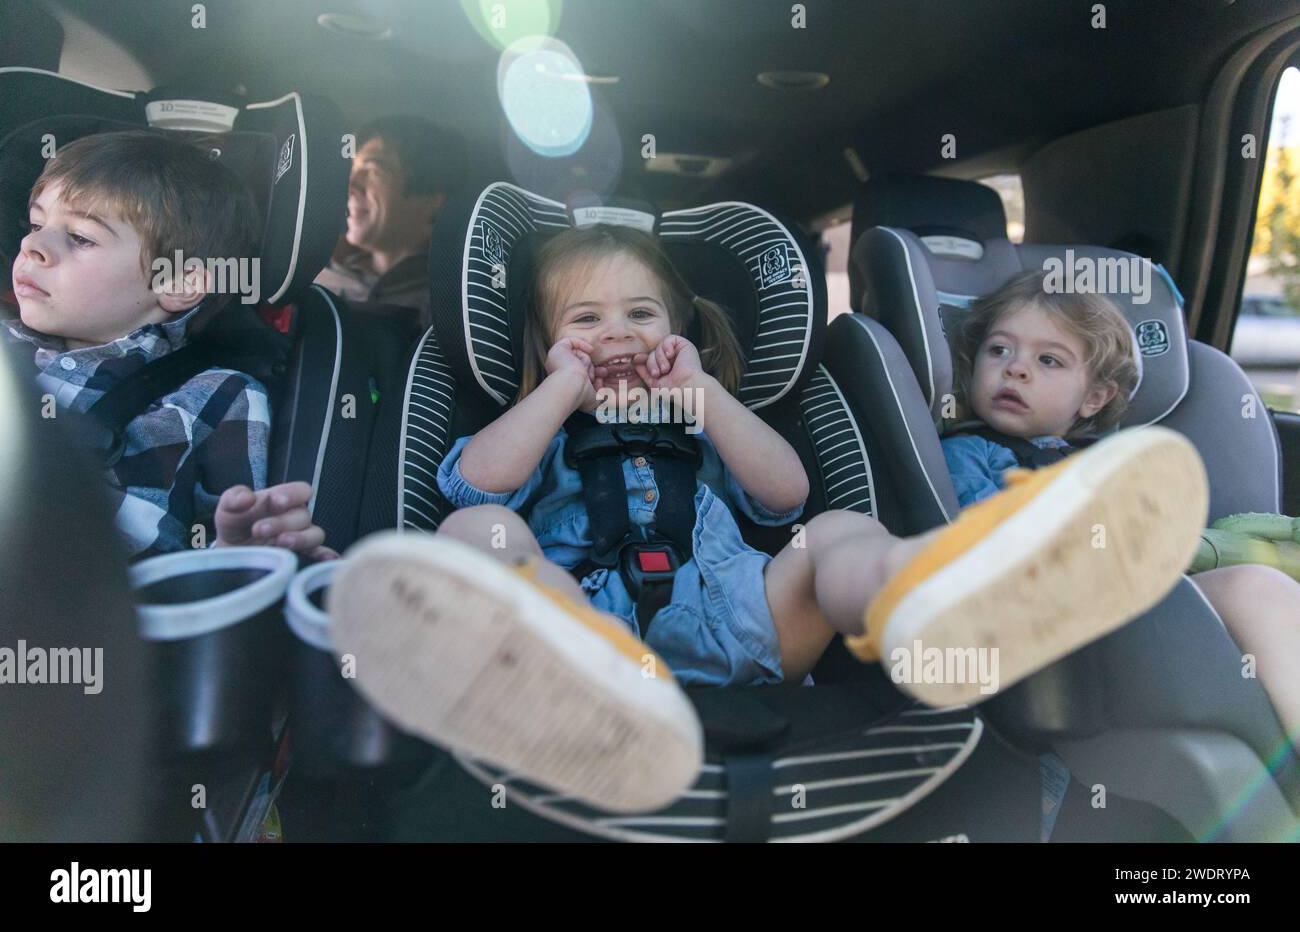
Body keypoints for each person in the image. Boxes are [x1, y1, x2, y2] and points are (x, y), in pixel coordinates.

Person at [327, 225, 1209, 813]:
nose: (618, 335)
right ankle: (564, 683)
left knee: (830, 538)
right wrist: (560, 387)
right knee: (475, 538)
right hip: (589, 635)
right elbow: (477, 488)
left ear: (680, 331)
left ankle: (918, 603)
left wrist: (703, 394)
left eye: (642, 315)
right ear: (549, 341)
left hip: (744, 623)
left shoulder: (699, 411)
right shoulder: (539, 425)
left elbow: (786, 495)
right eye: (586, 321)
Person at [941, 269, 1300, 744]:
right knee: (1252, 586)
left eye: (1049, 360)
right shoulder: (969, 453)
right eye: (999, 350)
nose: (1016, 368)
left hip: (1143, 603)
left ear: (1094, 398)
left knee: (1259, 585)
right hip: (1071, 624)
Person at [3, 130, 331, 561]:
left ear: (178, 281)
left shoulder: (217, 396)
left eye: (81, 238)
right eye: (37, 224)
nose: (32, 246)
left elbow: (227, 549)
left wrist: (236, 551)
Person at [315, 116, 467, 330]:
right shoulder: (312, 271)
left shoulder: (454, 305)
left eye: (371, 171)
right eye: (352, 170)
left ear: (431, 200)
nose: (350, 185)